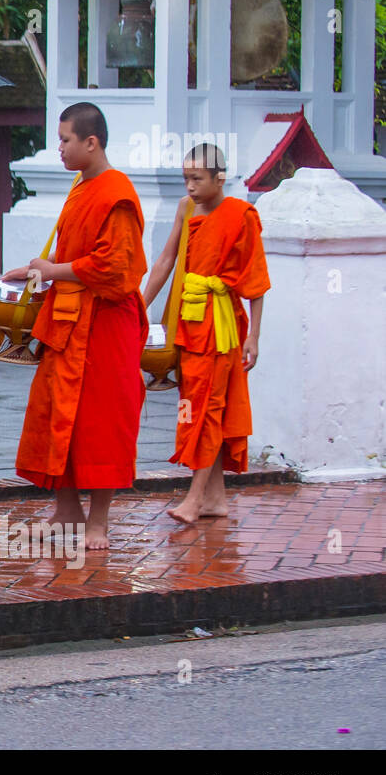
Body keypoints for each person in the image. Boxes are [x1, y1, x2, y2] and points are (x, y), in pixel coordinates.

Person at [5, 102, 148, 551]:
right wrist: (35, 273)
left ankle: (98, 520)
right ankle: (66, 509)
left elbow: (117, 268)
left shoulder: (116, 192)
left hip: (107, 324)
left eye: (66, 140)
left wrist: (53, 271)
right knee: (53, 414)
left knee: (101, 422)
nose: (60, 149)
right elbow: (69, 255)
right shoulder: (80, 187)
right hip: (68, 321)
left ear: (92, 142)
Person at [143, 143, 268, 524]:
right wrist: (140, 305)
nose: (191, 187)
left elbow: (256, 282)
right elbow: (167, 259)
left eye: (197, 179)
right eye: (186, 179)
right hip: (188, 320)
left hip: (221, 327)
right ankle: (216, 499)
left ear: (219, 178)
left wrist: (255, 337)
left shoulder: (241, 215)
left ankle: (195, 499)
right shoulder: (185, 208)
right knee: (193, 405)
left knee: (208, 411)